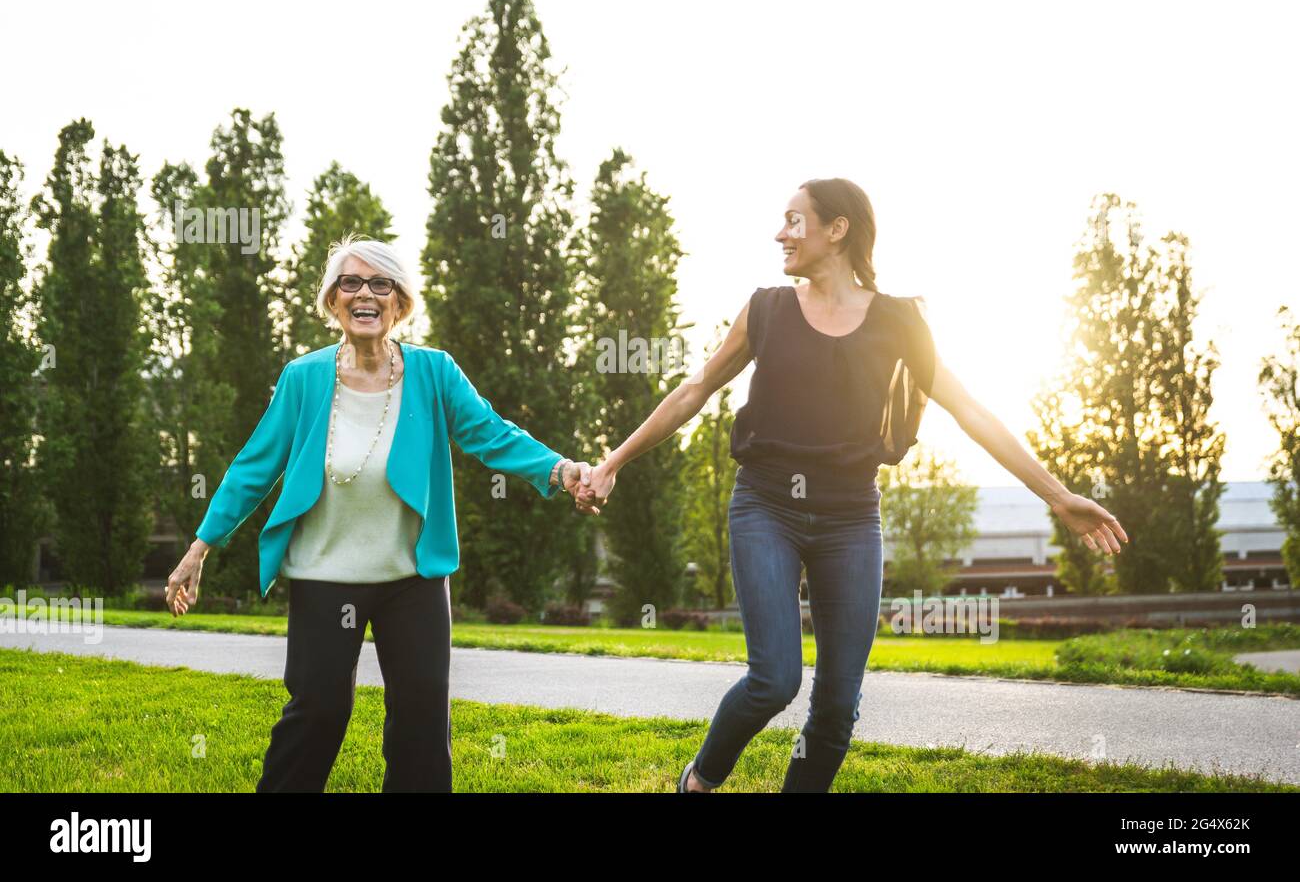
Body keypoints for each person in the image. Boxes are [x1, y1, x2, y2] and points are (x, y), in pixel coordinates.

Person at [577, 178, 1128, 792]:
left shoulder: (899, 322)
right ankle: (699, 782)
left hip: (850, 519)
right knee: (775, 680)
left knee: (838, 704)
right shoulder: (767, 309)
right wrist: (614, 462)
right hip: (766, 507)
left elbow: (970, 410)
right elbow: (694, 390)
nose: (780, 234)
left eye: (794, 221)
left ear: (837, 229)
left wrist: (1057, 495)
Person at [165, 233, 599, 792]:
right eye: (350, 282)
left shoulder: (434, 372)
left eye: (380, 283)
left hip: (412, 579)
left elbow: (492, 434)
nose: (365, 294)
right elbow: (254, 466)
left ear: (400, 302)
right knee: (317, 714)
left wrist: (561, 471)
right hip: (324, 576)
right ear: (332, 299)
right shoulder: (303, 378)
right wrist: (199, 548)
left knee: (422, 725)